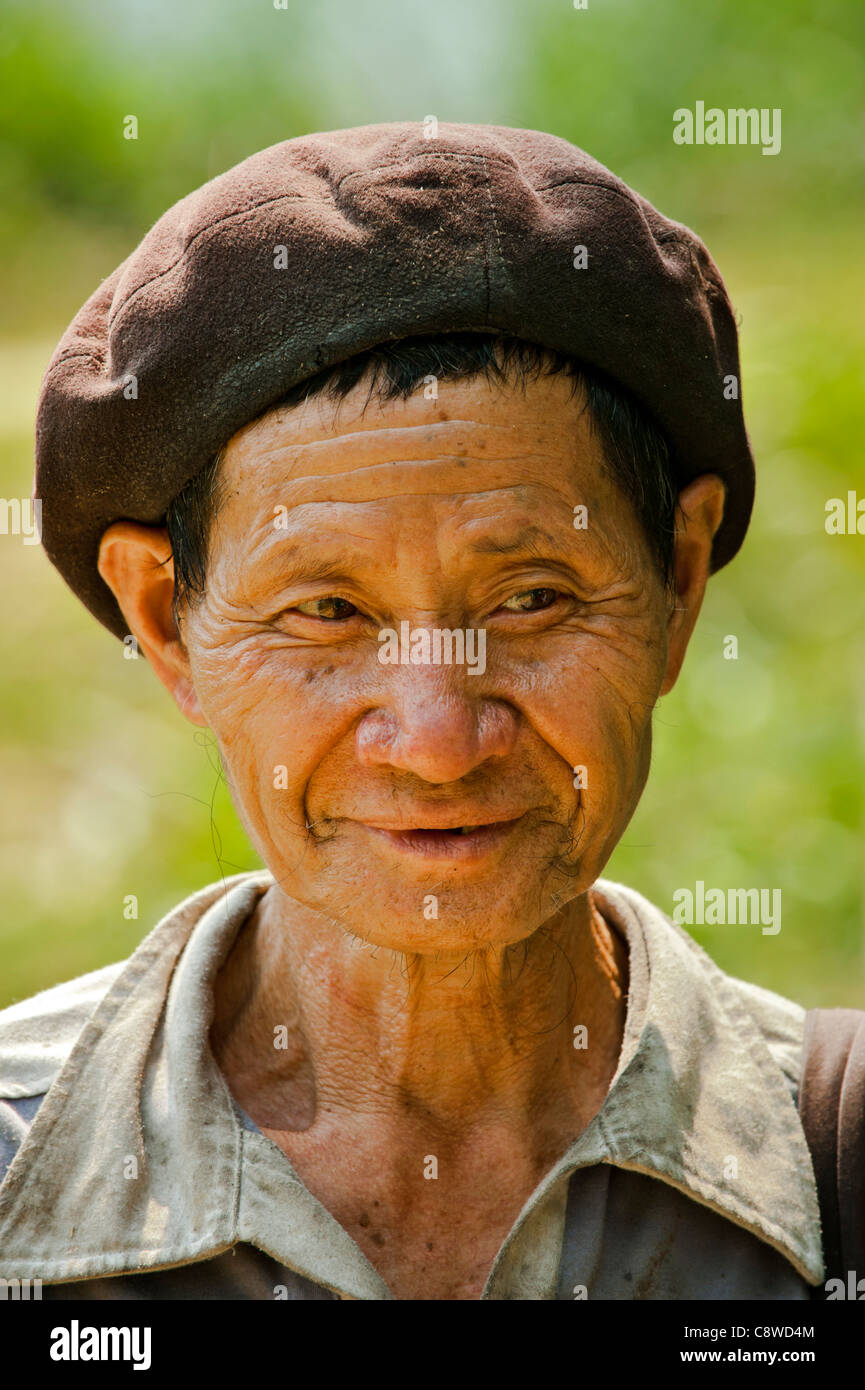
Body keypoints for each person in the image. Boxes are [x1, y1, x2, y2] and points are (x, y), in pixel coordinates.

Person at [0, 121, 830, 1299]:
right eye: (327, 610)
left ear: (678, 582)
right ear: (168, 621)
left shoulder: (833, 1168)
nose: (438, 740)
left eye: (534, 598)